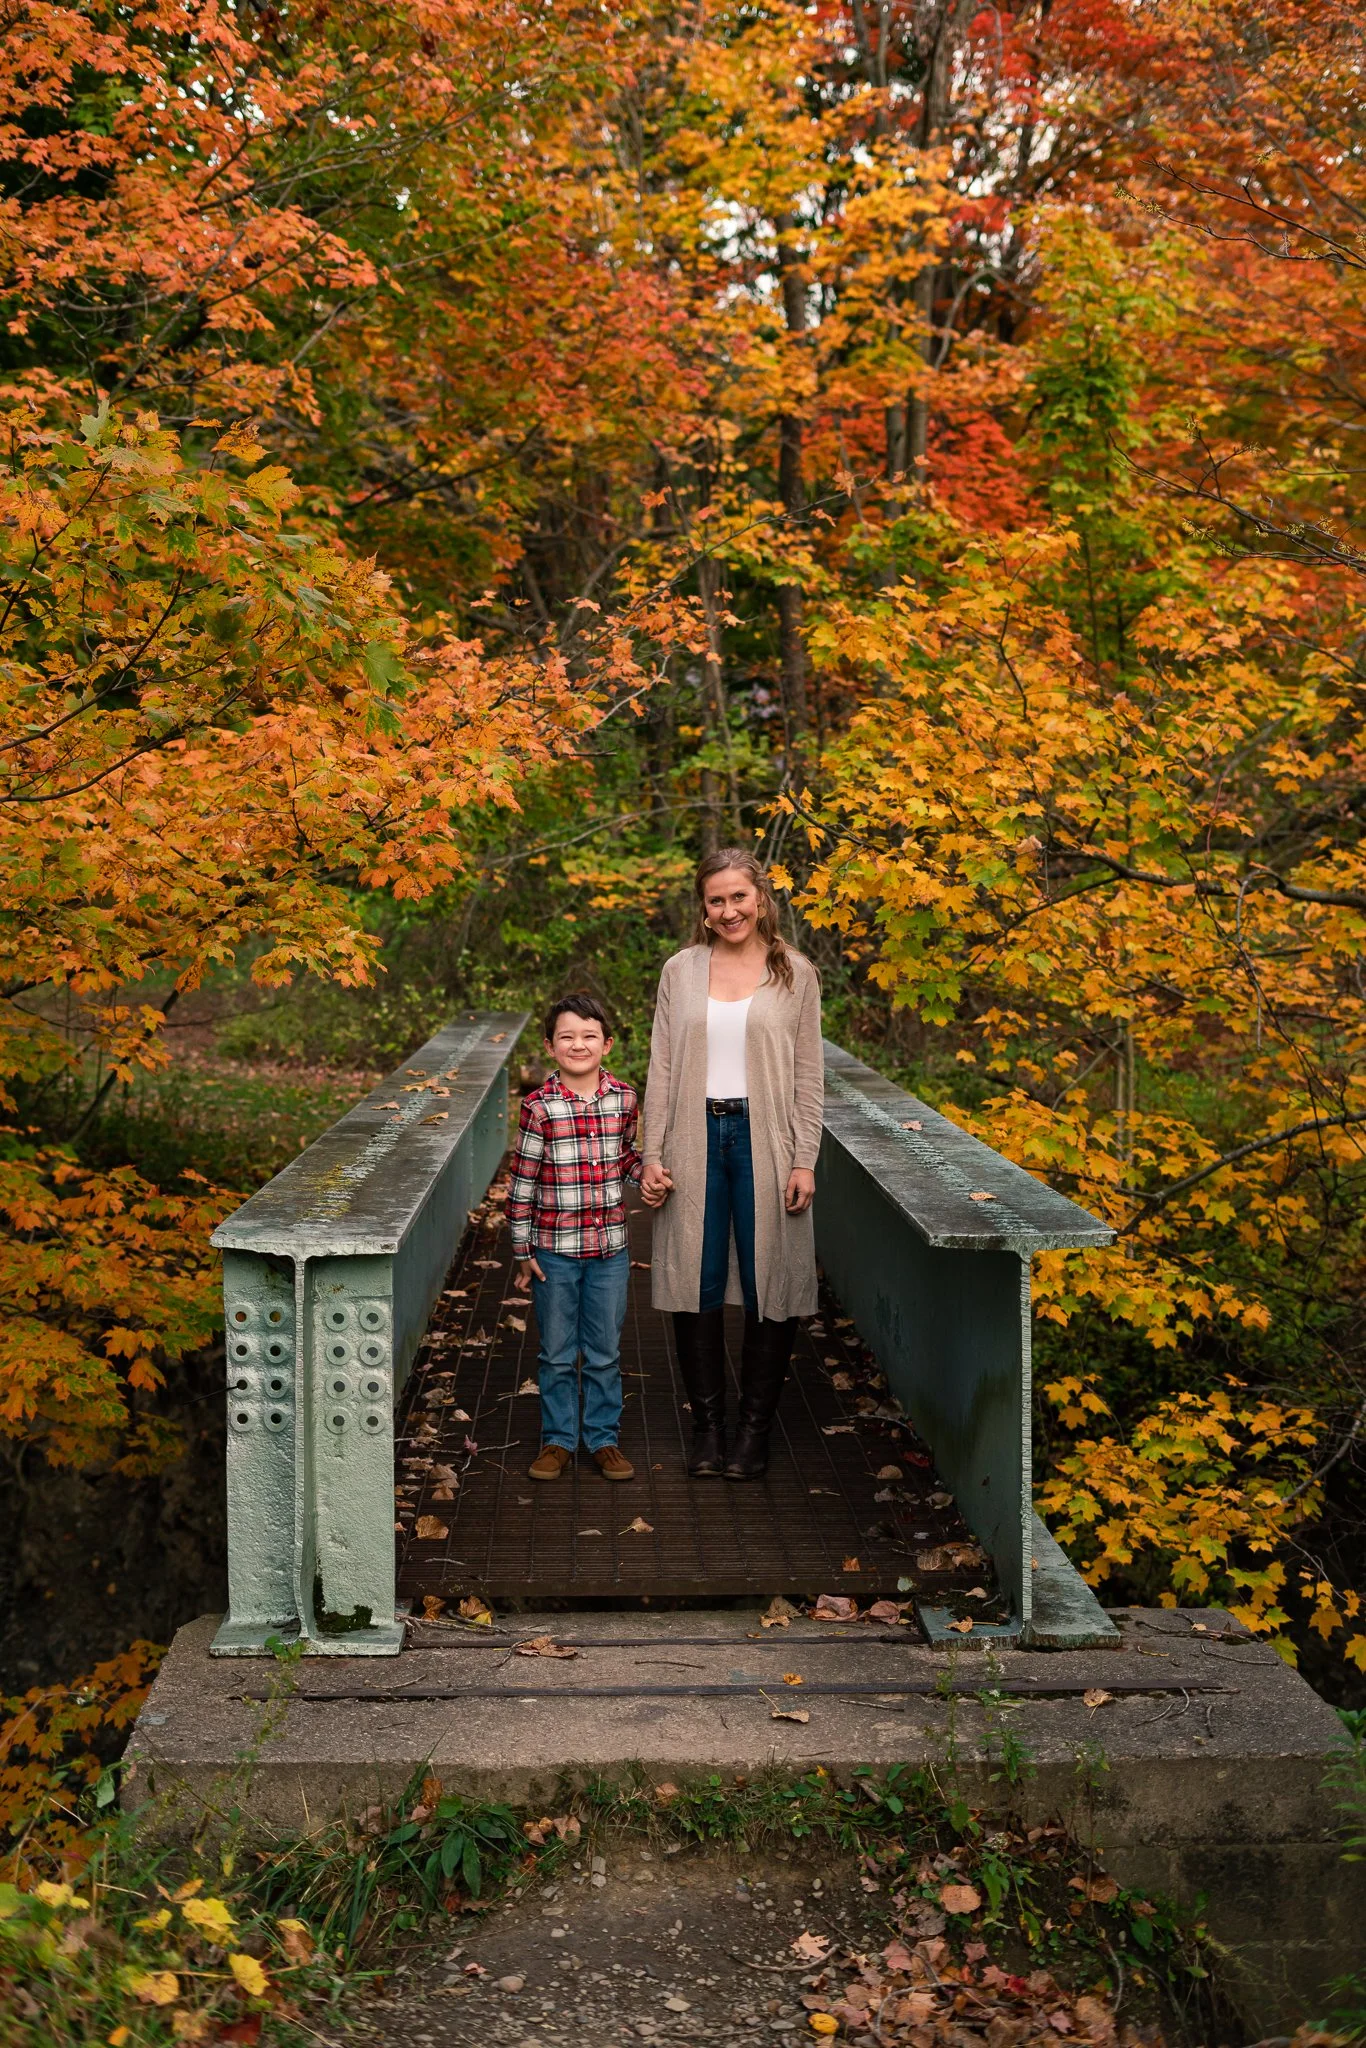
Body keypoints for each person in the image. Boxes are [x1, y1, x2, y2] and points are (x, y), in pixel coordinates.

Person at [639, 850, 822, 1480]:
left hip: (765, 1139)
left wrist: (804, 1158)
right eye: (715, 900)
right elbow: (662, 1067)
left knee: (773, 1279)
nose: (728, 910)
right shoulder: (680, 970)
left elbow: (808, 1075)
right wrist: (652, 1152)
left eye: (738, 897)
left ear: (761, 898)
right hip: (694, 1138)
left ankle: (753, 1432)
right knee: (696, 1278)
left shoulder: (795, 973)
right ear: (704, 908)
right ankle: (708, 1431)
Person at [509, 994, 640, 1482]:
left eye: (589, 1036)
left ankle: (603, 1439)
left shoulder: (624, 1099)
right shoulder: (538, 1107)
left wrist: (646, 1172)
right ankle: (558, 1440)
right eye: (566, 1036)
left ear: (607, 1044)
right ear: (550, 1046)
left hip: (609, 1250)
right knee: (557, 1353)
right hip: (554, 1252)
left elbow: (624, 1157)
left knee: (605, 1353)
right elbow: (522, 1182)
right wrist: (522, 1250)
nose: (578, 1045)